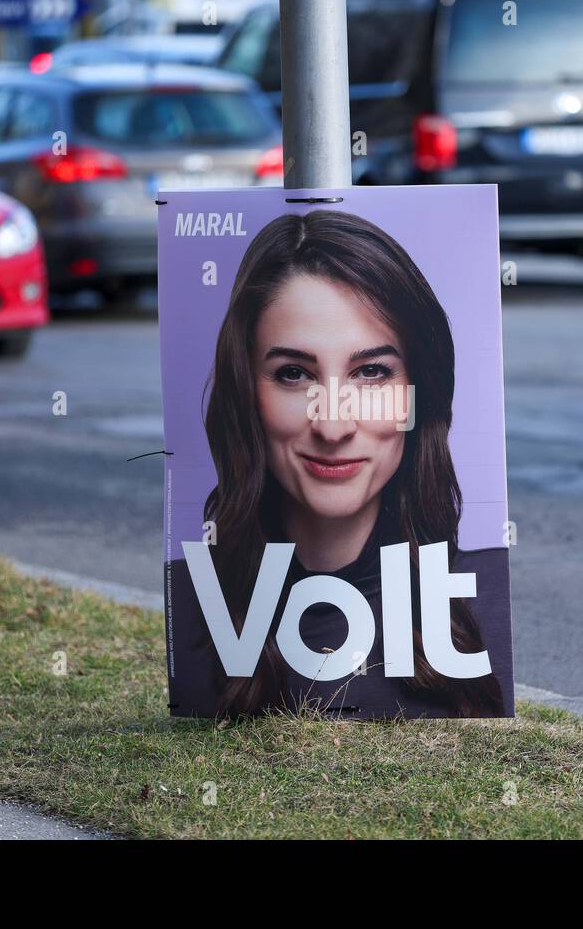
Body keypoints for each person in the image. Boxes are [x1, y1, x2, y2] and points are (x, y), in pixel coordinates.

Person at [167, 210, 512, 718]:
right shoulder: (191, 608)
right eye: (293, 374)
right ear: (246, 396)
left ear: (418, 396)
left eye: (371, 372)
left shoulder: (483, 599)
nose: (333, 426)